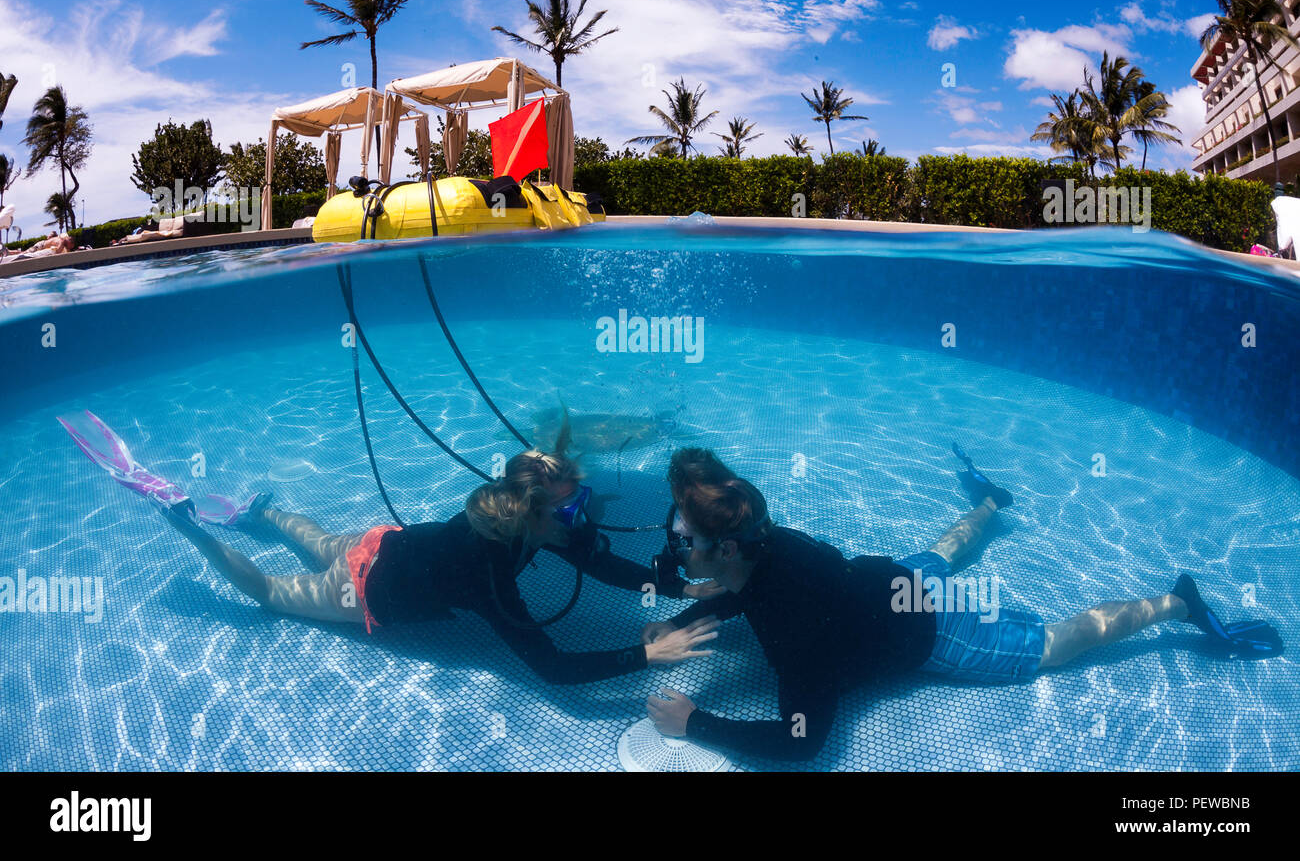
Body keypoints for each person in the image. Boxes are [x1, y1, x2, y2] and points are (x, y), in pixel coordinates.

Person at [642, 447, 1284, 761]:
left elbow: (801, 743)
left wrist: (696, 723)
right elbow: (742, 594)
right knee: (941, 554)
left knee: (1052, 646)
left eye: (682, 536)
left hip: (936, 629)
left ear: (727, 550)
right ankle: (989, 503)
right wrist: (690, 613)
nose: (672, 539)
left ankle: (1179, 602)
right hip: (886, 579)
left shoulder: (797, 636)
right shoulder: (766, 538)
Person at [59, 410, 720, 686]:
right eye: (574, 503)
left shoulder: (529, 519)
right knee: (267, 593)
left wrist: (680, 588)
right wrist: (647, 650)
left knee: (315, 537)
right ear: (534, 513)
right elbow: (550, 669)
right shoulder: (491, 577)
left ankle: (255, 511)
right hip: (363, 590)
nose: (584, 513)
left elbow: (598, 561)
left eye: (581, 496)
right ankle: (187, 522)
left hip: (383, 541)